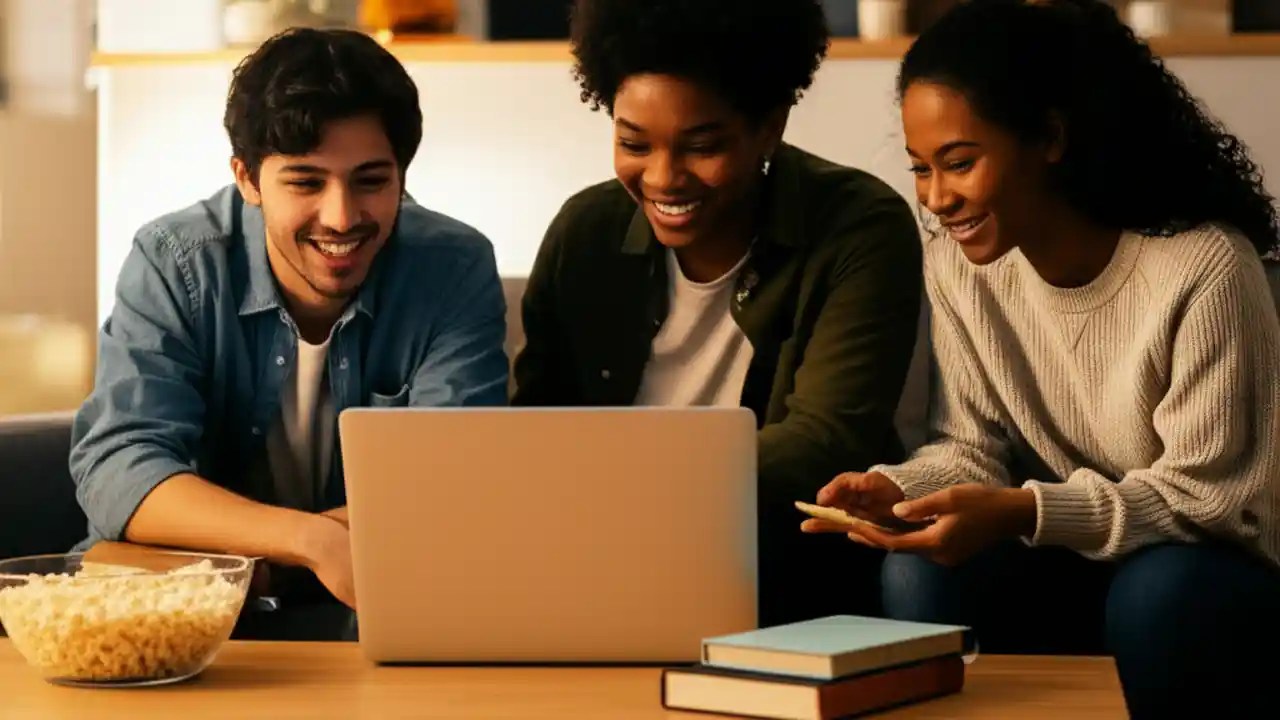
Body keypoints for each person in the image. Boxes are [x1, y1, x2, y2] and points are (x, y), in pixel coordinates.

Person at [800, 1, 1280, 717]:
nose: (936, 199)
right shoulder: (960, 268)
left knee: (1159, 594)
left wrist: (1022, 509)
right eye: (921, 169)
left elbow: (1208, 501)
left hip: (1202, 573)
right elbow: (972, 447)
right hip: (1067, 558)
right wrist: (897, 489)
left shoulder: (1203, 268)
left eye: (959, 163)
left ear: (1050, 137)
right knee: (915, 575)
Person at [69, 28, 509, 639]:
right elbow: (121, 468)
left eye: (371, 181)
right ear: (247, 179)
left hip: (372, 619)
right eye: (306, 182)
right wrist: (309, 541)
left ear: (402, 176)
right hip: (187, 626)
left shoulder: (453, 268)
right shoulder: (176, 260)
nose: (342, 217)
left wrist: (267, 565)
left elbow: (453, 484)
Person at [513, 0, 924, 626]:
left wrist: (621, 487)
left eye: (701, 146)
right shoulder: (585, 232)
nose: (663, 177)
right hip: (594, 558)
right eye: (633, 143)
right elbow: (534, 428)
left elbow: (825, 441)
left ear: (770, 126)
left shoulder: (858, 226)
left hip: (778, 561)